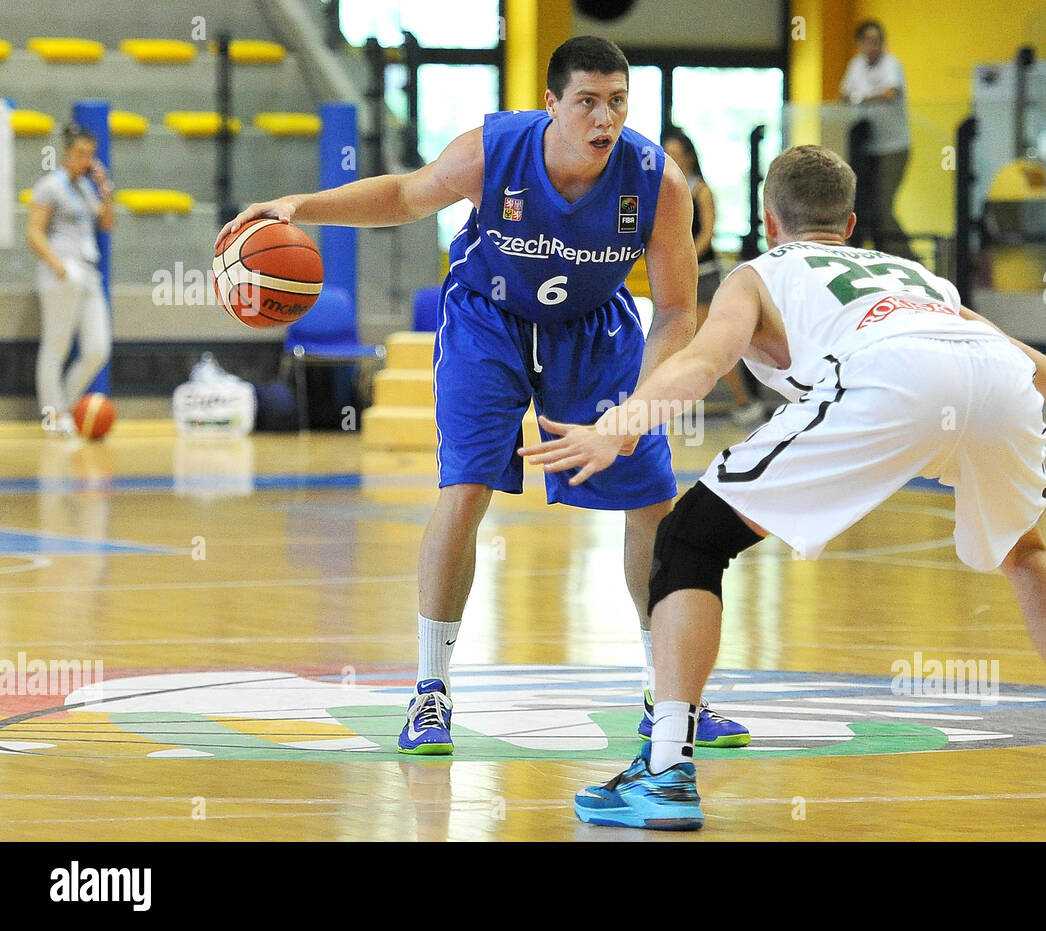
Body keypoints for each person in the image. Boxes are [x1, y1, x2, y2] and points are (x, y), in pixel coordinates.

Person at [519, 145, 1046, 830]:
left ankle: (665, 771)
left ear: (767, 218)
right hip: (992, 379)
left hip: (887, 379)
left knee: (688, 539)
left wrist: (623, 420)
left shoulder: (759, 272)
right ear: (849, 223)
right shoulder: (921, 278)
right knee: (1027, 553)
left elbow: (703, 363)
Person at [219, 36, 750, 754]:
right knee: (465, 490)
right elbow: (406, 194)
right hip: (486, 318)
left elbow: (677, 310)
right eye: (587, 101)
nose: (604, 118)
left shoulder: (656, 182)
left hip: (595, 330)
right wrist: (300, 204)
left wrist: (644, 402)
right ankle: (430, 691)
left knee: (652, 504)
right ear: (551, 104)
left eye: (618, 102)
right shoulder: (493, 151)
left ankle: (671, 695)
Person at [660, 127, 764, 427]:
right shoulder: (663, 189)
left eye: (678, 154)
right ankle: (671, 405)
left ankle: (746, 402)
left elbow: (707, 232)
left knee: (709, 343)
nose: (673, 159)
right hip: (673, 276)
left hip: (702, 275)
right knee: (676, 341)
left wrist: (683, 258)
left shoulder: (700, 190)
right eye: (668, 154)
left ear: (690, 157)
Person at [27, 123, 114, 435]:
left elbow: (106, 224)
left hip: (89, 273)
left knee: (98, 348)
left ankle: (66, 405)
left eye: (90, 155)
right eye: (80, 154)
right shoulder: (50, 185)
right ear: (66, 153)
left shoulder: (88, 188)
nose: (85, 160)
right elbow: (34, 231)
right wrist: (57, 265)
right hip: (61, 272)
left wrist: (105, 190)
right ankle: (53, 415)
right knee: (56, 345)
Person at [839, 19, 918, 261]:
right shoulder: (856, 65)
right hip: (868, 149)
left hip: (894, 147)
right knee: (865, 208)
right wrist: (860, 98)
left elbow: (890, 92)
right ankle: (878, 259)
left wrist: (861, 98)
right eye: (869, 41)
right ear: (860, 43)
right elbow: (843, 94)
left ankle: (909, 261)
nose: (874, 46)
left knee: (883, 207)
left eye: (878, 41)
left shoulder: (891, 64)